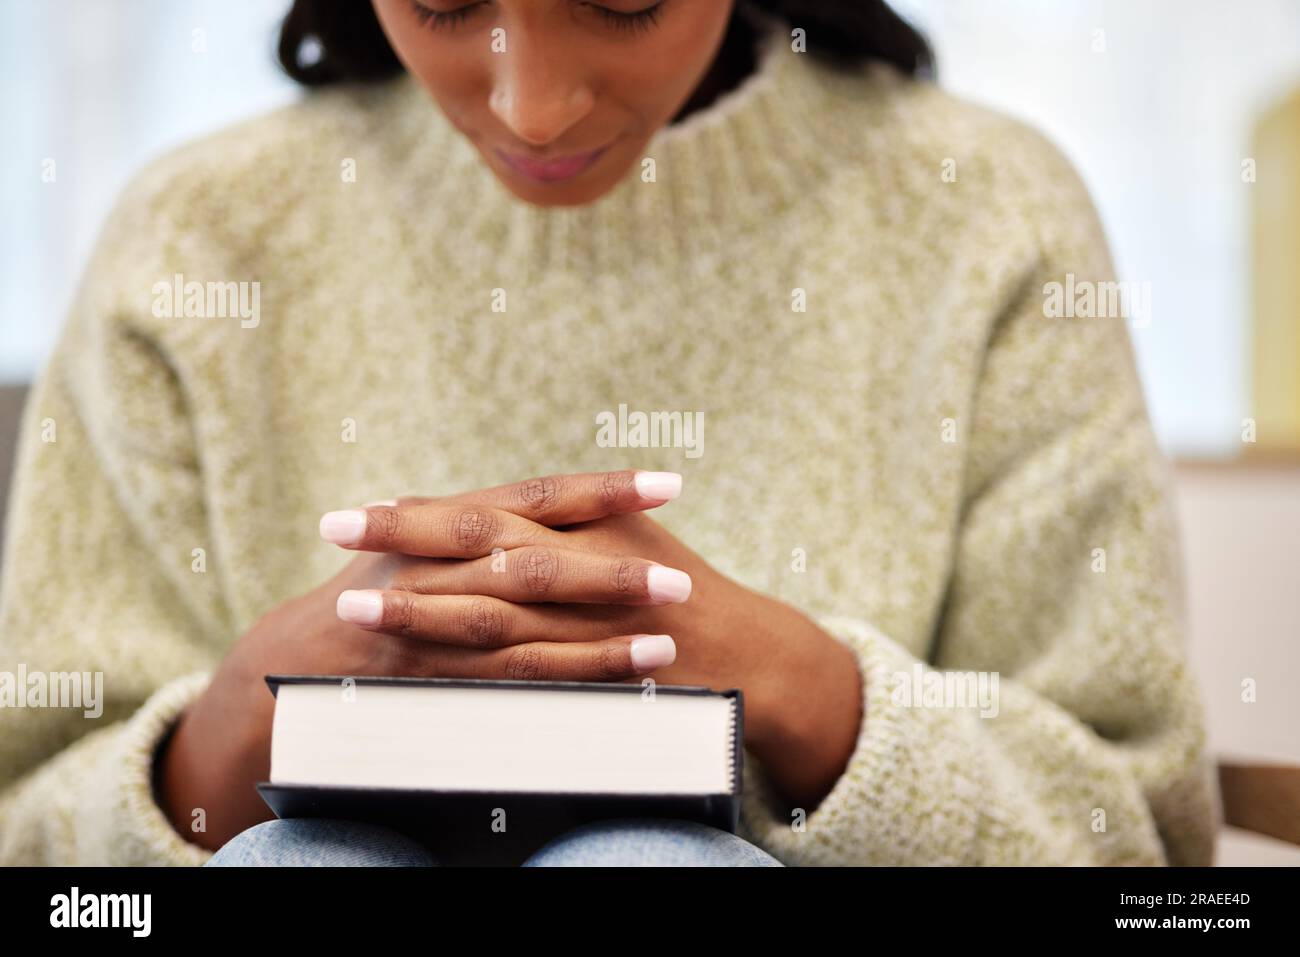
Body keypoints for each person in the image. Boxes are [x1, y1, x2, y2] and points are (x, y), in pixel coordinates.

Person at [0, 0, 1217, 866]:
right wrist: (241, 719)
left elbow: (1139, 853)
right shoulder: (196, 236)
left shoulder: (986, 213)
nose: (532, 105)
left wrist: (791, 683)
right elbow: (35, 844)